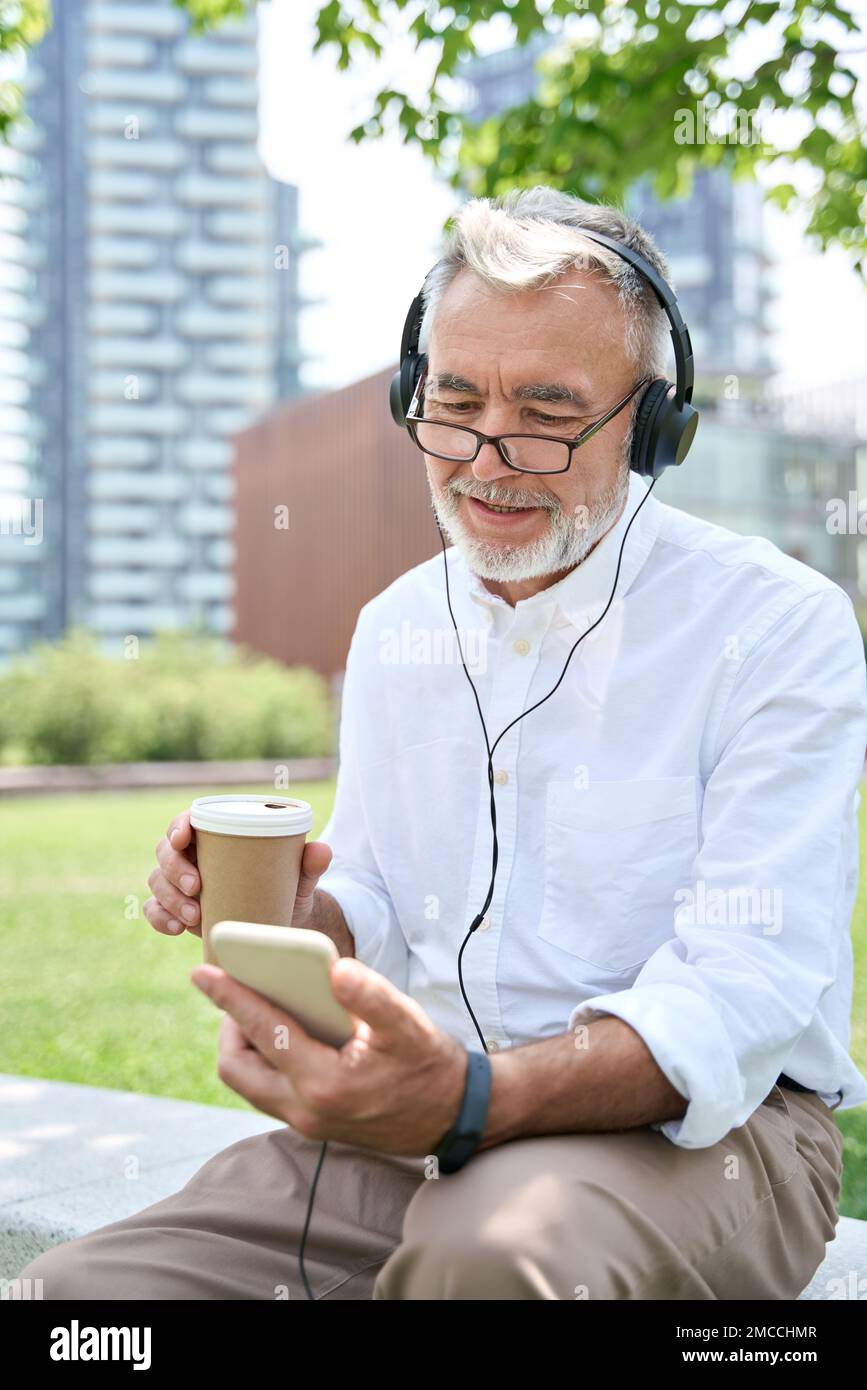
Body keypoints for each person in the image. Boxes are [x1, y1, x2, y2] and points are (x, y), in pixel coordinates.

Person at [20, 187, 867, 1300]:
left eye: (549, 411)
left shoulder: (778, 625)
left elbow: (745, 987)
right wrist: (279, 912)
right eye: (454, 398)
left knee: (489, 1253)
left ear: (658, 427)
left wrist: (474, 1096)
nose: (484, 456)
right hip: (424, 1125)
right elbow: (369, 895)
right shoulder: (396, 626)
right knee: (88, 1297)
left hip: (711, 1134)